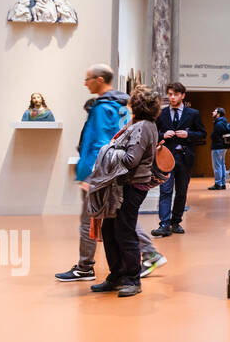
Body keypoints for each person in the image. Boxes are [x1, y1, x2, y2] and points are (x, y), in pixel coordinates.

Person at [56, 64, 165, 282]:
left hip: (99, 173)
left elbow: (103, 143)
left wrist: (93, 176)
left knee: (96, 219)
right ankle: (146, 255)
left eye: (87, 79)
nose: (85, 83)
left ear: (99, 79)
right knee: (117, 218)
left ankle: (86, 266)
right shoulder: (119, 106)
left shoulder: (105, 108)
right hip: (107, 173)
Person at [84, 85, 164, 297]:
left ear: (136, 105)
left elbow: (130, 160)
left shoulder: (143, 127)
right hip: (121, 186)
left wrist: (106, 151)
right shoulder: (140, 124)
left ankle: (132, 278)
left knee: (124, 232)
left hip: (131, 187)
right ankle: (116, 276)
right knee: (110, 231)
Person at [152, 81, 207, 237]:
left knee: (181, 192)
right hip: (165, 158)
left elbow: (203, 135)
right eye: (170, 94)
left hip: (185, 158)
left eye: (175, 94)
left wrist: (188, 134)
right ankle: (164, 224)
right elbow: (153, 134)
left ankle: (176, 222)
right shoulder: (161, 114)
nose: (172, 97)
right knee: (165, 190)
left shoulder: (193, 114)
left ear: (182, 96)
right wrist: (163, 135)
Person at [207, 107, 230, 190]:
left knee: (217, 166)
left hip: (217, 147)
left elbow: (214, 135)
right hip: (223, 147)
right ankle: (222, 183)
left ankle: (218, 184)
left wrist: (211, 136)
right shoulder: (223, 122)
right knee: (222, 164)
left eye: (214, 111)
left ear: (218, 114)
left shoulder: (218, 123)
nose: (212, 112)